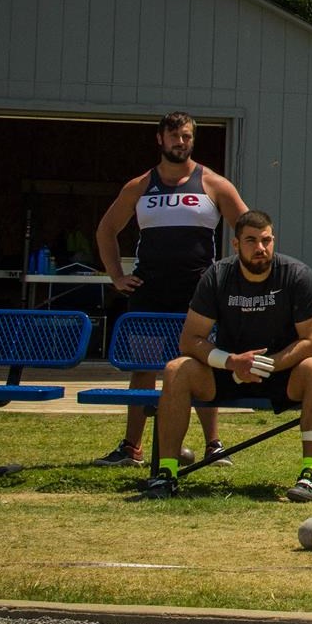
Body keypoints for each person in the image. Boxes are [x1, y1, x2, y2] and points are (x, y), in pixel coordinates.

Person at [137, 210, 312, 501]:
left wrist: (266, 364)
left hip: (282, 372)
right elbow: (190, 340)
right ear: (236, 244)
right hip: (228, 371)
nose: (260, 248)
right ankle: (166, 474)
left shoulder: (297, 275)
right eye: (251, 240)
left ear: (273, 240)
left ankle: (310, 475)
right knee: (177, 369)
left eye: (266, 240)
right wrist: (232, 362)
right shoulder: (217, 276)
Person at [92, 112, 248, 469]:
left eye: (188, 137)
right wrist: (117, 276)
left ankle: (214, 446)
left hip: (198, 295)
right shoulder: (139, 186)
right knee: (143, 368)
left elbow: (251, 229)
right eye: (175, 136)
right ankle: (131, 447)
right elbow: (106, 231)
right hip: (149, 292)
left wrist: (232, 278)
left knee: (203, 363)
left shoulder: (214, 184)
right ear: (160, 139)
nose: (181, 142)